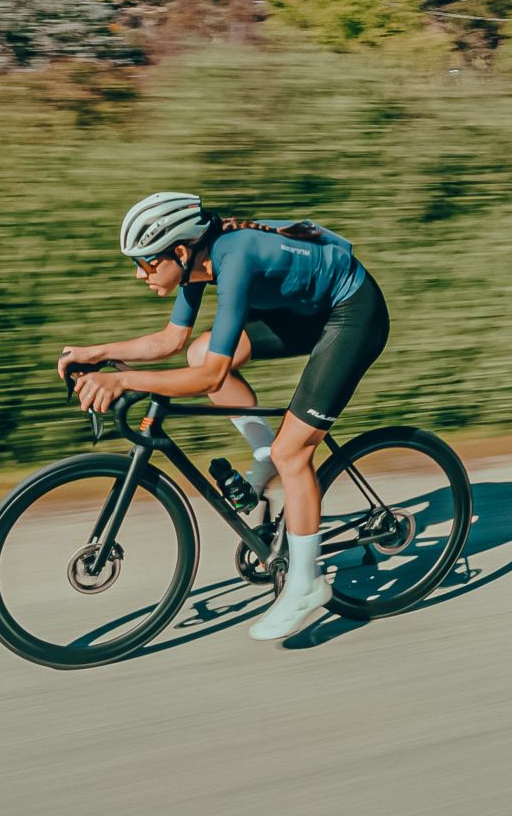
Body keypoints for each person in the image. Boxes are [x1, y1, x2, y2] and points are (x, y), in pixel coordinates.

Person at [57, 191, 390, 641]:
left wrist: (126, 381)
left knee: (294, 451)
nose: (139, 274)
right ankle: (264, 454)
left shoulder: (235, 258)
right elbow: (171, 342)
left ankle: (306, 584)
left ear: (178, 251)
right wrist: (98, 352)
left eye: (146, 262)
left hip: (353, 313)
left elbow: (212, 378)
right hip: (308, 310)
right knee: (197, 351)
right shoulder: (197, 261)